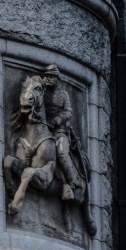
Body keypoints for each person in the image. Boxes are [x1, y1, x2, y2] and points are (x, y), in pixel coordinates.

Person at [42, 64, 79, 201]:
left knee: (62, 153)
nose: (48, 79)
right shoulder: (42, 92)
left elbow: (68, 112)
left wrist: (57, 120)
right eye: (47, 76)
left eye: (51, 76)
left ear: (57, 79)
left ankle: (71, 182)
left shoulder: (63, 94)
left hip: (59, 131)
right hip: (43, 128)